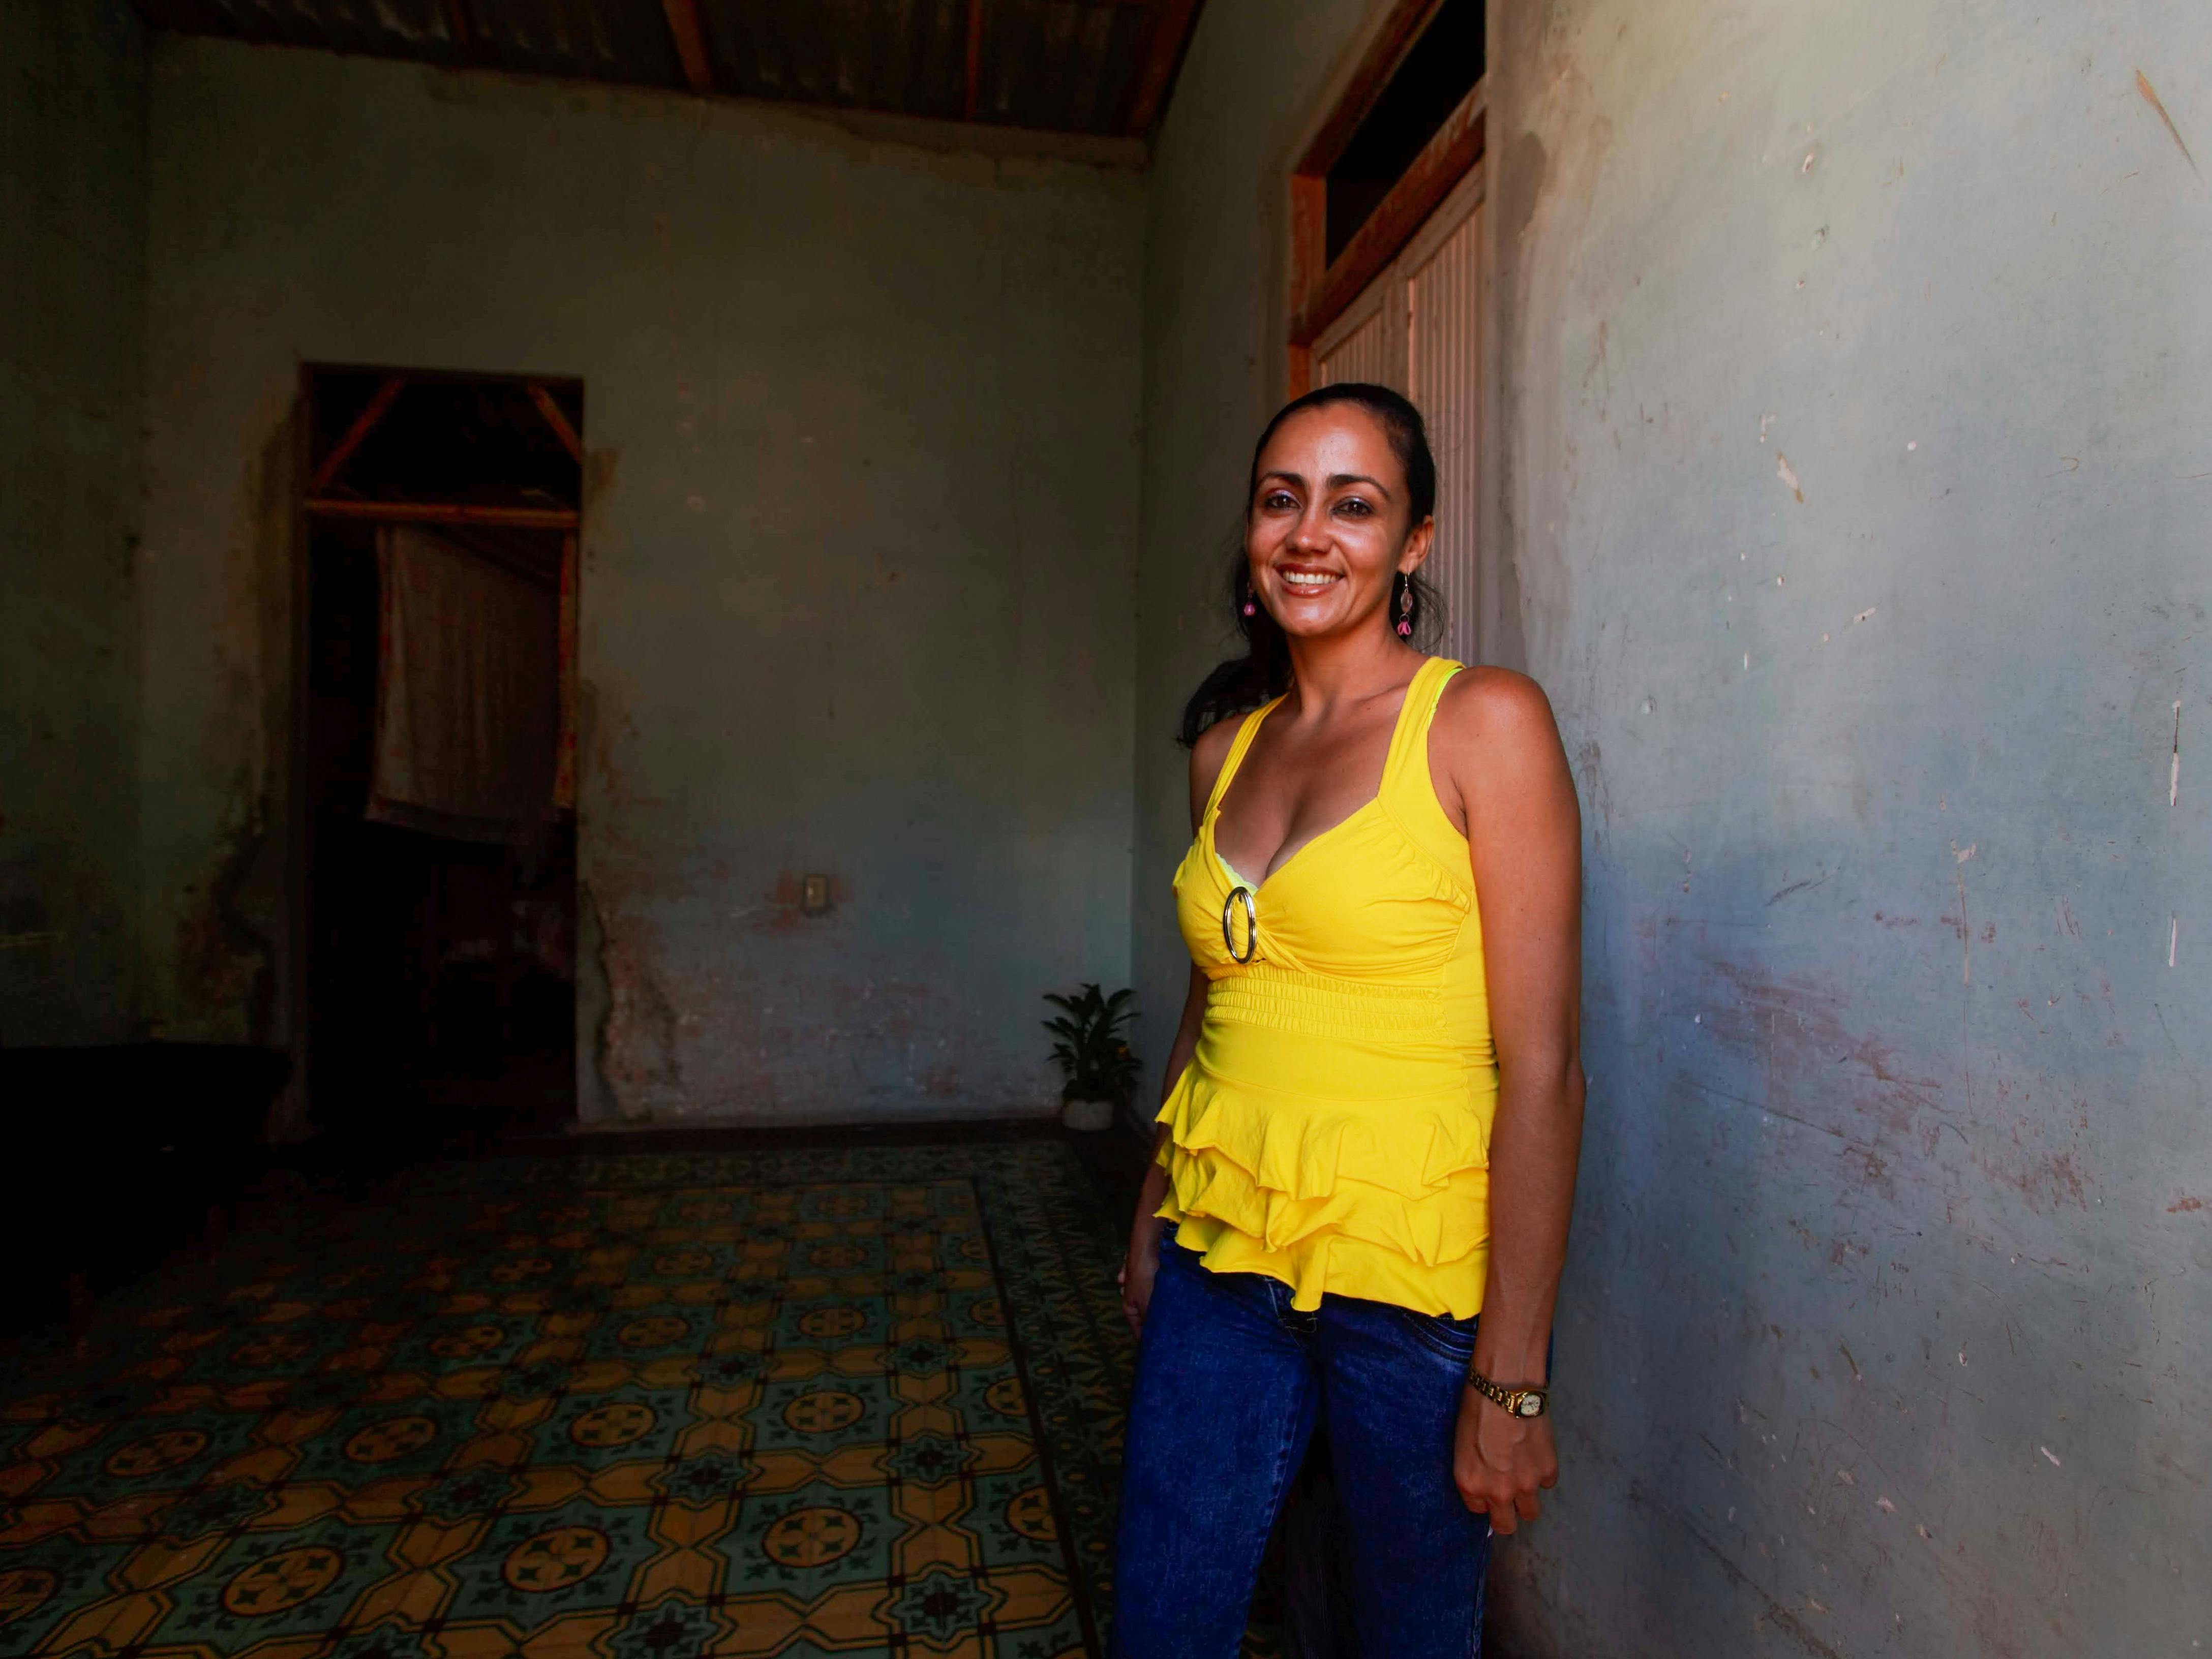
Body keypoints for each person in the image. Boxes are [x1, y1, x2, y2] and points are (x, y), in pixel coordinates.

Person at [1112, 383, 1586, 1658]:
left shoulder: (1483, 724)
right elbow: (1217, 1006)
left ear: (1413, 542)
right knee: (1165, 1618)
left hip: (1415, 1289)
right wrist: (1154, 1202)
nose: (1309, 533)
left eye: (1353, 503)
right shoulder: (1225, 752)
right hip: (1222, 1259)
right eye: (1281, 500)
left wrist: (1513, 1375)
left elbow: (1541, 1071)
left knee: (1407, 1635)